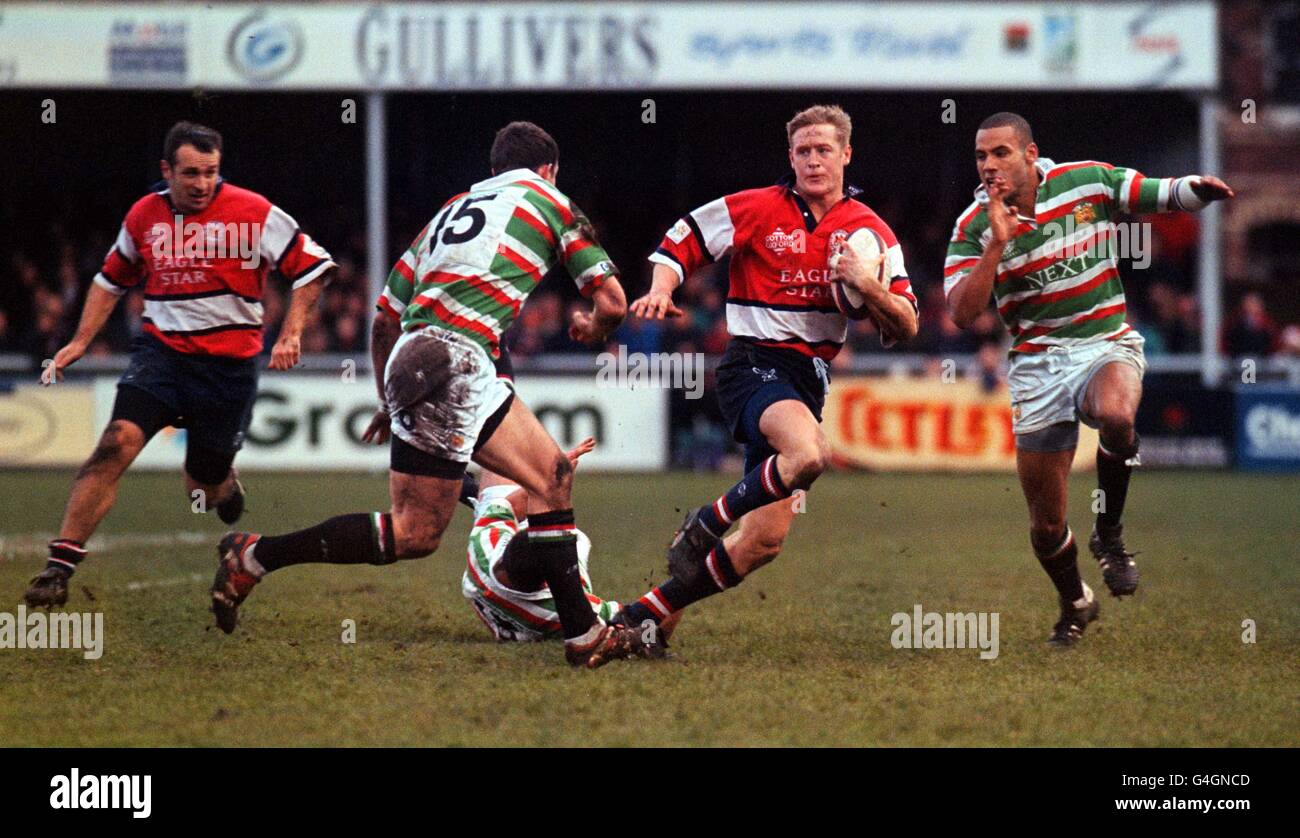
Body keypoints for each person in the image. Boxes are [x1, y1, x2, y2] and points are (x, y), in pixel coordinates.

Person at [211, 121, 646, 668]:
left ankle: (253, 556)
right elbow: (612, 299)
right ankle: (585, 639)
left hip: (418, 356)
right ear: (549, 170)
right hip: (460, 357)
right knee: (519, 490)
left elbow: (382, 322)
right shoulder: (549, 199)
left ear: (493, 172)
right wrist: (594, 328)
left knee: (435, 523)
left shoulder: (450, 212)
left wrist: (387, 402)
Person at [613, 105, 918, 634]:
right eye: (803, 152)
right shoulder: (756, 208)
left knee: (762, 543)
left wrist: (866, 285)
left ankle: (644, 618)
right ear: (791, 157)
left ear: (846, 155)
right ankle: (706, 522)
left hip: (807, 385)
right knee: (810, 453)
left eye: (824, 150)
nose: (813, 161)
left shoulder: (872, 235)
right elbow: (681, 238)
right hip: (754, 366)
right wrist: (662, 288)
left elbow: (906, 325)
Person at [944, 112, 1234, 646]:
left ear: (1031, 155)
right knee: (1046, 528)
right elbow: (962, 314)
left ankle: (1109, 532)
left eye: (1000, 153)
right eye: (981, 156)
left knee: (1118, 416)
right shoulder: (972, 227)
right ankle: (1076, 601)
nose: (989, 165)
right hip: (1036, 365)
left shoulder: (1086, 181)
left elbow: (1156, 193)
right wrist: (995, 247)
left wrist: (1197, 189)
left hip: (1104, 342)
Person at [26, 121, 335, 608]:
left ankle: (225, 484)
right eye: (191, 173)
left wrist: (291, 332)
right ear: (167, 170)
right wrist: (80, 340)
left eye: (210, 173)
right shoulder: (144, 216)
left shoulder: (253, 211)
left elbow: (314, 268)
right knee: (116, 443)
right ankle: (58, 567)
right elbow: (111, 280)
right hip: (162, 358)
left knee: (203, 485)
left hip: (227, 372)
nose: (202, 184)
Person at [460, 438, 681, 647]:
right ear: (553, 577)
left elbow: (506, 506)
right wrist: (682, 567)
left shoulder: (486, 545)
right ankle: (462, 482)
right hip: (524, 618)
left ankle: (456, 478)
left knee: (501, 450)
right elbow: (652, 627)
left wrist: (550, 482)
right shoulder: (563, 606)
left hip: (491, 593)